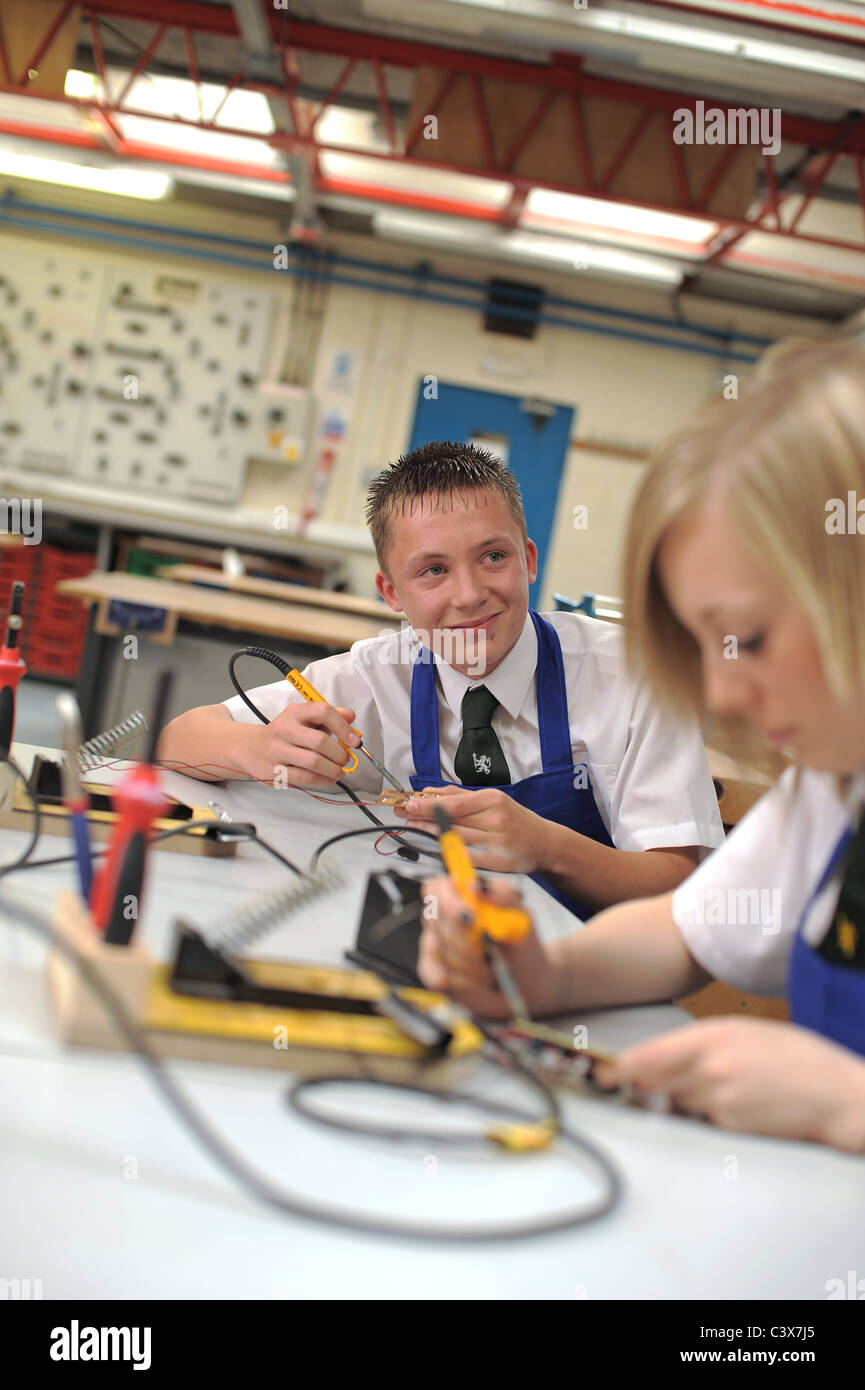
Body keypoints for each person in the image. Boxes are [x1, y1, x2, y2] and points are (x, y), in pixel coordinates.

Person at [418, 339, 865, 1153]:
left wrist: (844, 1102)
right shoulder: (837, 789)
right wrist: (546, 977)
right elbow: (687, 930)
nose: (722, 694)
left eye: (749, 637)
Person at [159, 442, 722, 917]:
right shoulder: (379, 676)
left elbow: (678, 887)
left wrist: (546, 847)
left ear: (528, 560)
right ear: (391, 594)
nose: (469, 594)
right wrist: (256, 746)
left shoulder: (633, 678)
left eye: (493, 557)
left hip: (595, 975)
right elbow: (176, 741)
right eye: (433, 571)